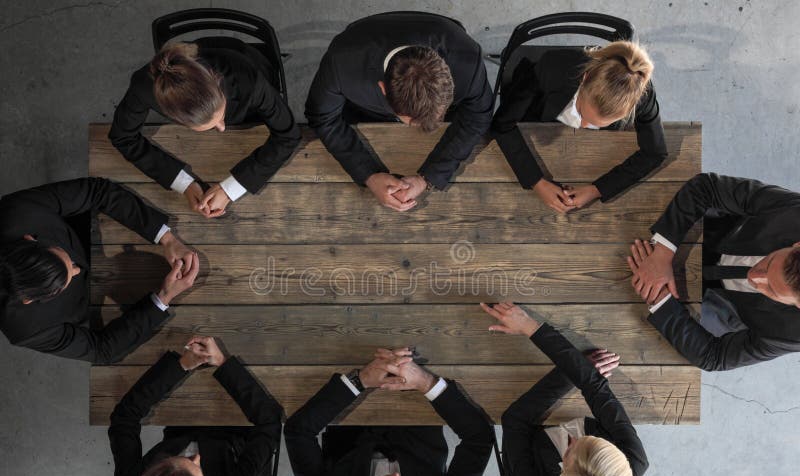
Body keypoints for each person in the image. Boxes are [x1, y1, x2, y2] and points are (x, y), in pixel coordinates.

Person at [284, 348, 494, 476]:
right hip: (417, 415)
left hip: (349, 420)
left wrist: (359, 380)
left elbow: (298, 433)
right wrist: (425, 382)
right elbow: (479, 438)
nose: (396, 475)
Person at [305, 12, 494, 212]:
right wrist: (369, 175)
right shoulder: (341, 63)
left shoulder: (468, 59)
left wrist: (428, 178)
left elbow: (478, 116)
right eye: (412, 122)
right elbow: (322, 118)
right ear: (383, 89)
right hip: (363, 102)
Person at [0, 177, 198, 363]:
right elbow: (101, 351)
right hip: (93, 304)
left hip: (90, 231)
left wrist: (167, 238)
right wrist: (164, 297)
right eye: (61, 286)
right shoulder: (25, 328)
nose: (77, 270)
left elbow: (97, 190)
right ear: (28, 299)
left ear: (30, 239)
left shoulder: (17, 211)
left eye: (67, 260)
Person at [480, 302, 647, 476]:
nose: (573, 440)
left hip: (527, 450)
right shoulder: (634, 461)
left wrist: (571, 373)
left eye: (568, 452)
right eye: (590, 441)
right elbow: (594, 387)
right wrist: (529, 326)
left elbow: (515, 418)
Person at [109, 38, 301, 218]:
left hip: (247, 65)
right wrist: (183, 183)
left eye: (220, 117)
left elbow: (289, 135)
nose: (222, 128)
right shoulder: (143, 88)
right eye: (211, 126)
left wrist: (231, 188)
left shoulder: (248, 78)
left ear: (217, 83)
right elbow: (123, 137)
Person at [109, 335, 283, 476]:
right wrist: (223, 364)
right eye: (196, 466)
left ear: (146, 475)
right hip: (235, 426)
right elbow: (270, 424)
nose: (197, 457)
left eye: (184, 458)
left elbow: (124, 417)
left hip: (181, 421)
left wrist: (181, 365)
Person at [627, 173, 800, 371]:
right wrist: (663, 251)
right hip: (720, 235)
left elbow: (715, 357)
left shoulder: (793, 332)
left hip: (729, 307)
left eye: (771, 289)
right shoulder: (794, 214)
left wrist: (660, 299)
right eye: (768, 264)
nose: (753, 277)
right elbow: (707, 187)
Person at [491, 40, 667, 213]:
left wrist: (597, 190)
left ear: (628, 112)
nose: (582, 126)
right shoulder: (552, 68)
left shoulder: (642, 97)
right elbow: (502, 124)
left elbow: (655, 153)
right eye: (581, 112)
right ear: (585, 78)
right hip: (538, 116)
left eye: (595, 124)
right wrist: (536, 181)